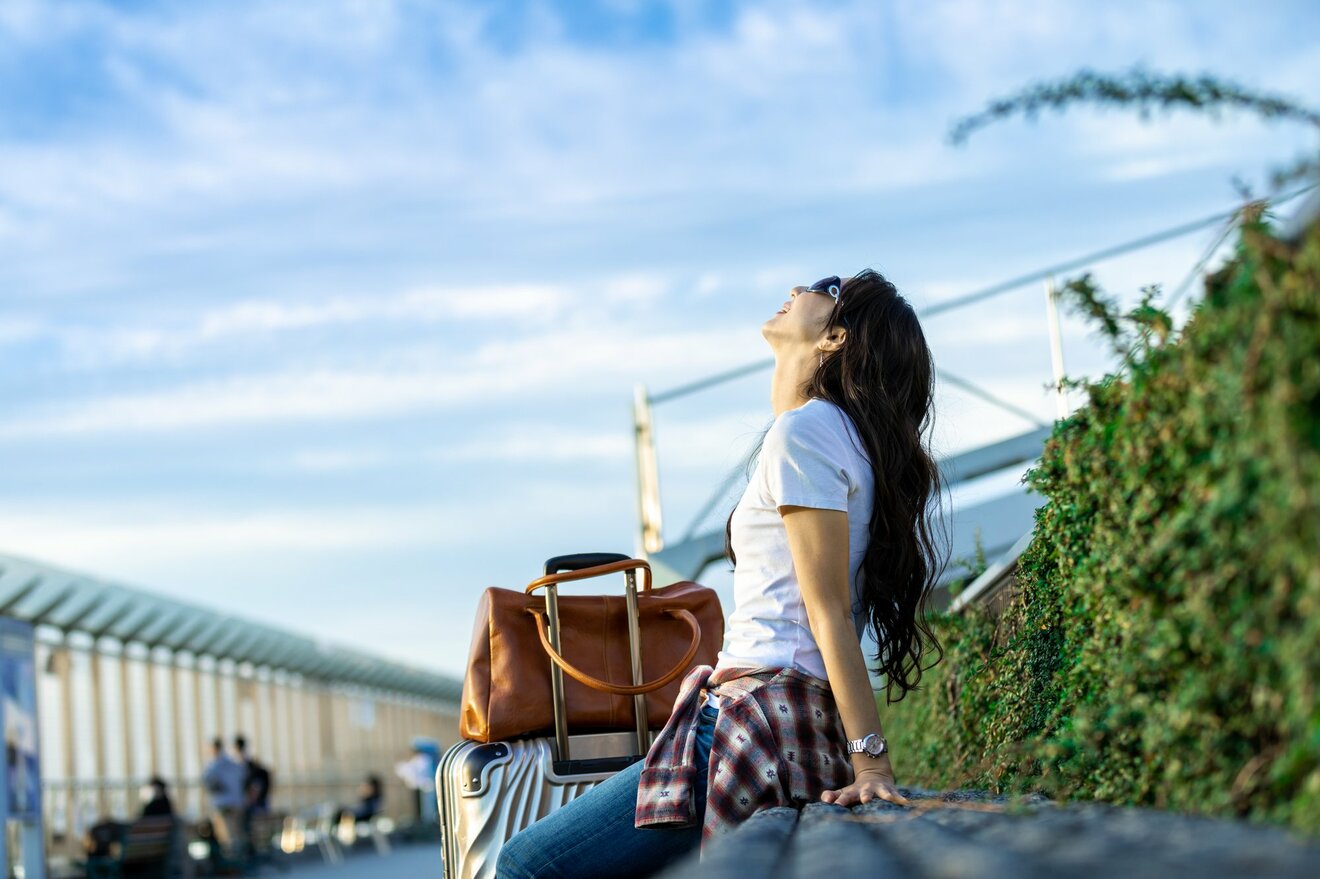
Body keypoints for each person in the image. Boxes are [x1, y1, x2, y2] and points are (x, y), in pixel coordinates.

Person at [497, 271, 946, 878]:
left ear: (836, 336)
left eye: (828, 286)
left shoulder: (808, 431)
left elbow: (828, 610)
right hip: (781, 715)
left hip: (754, 718)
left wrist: (871, 763)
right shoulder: (839, 437)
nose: (800, 286)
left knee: (527, 864)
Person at [202, 736, 247, 858]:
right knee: (237, 833)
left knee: (226, 837)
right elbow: (243, 779)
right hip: (238, 803)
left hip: (223, 805)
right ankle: (240, 861)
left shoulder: (214, 765)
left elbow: (208, 781)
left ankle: (232, 863)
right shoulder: (234, 764)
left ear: (214, 749)